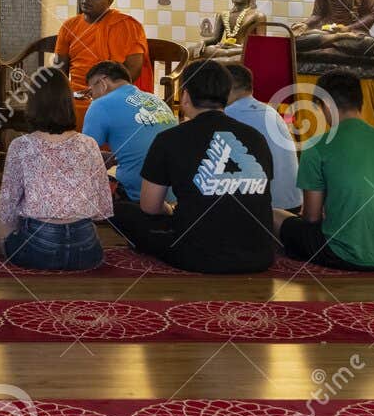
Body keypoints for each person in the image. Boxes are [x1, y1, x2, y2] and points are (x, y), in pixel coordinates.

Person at [110, 59, 276, 274]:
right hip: (259, 254)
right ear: (227, 96)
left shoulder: (168, 139)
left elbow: (149, 207)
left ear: (185, 95)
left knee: (120, 211)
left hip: (196, 255)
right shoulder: (255, 137)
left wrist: (170, 209)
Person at [0, 70, 112, 270]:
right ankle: (2, 245)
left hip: (39, 249)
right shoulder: (88, 144)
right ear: (68, 102)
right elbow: (103, 208)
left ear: (32, 103)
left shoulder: (21, 145)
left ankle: (3, 246)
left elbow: (7, 212)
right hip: (87, 251)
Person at [276, 70, 374, 270]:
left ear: (325, 105)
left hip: (343, 255)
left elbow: (312, 217)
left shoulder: (316, 146)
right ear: (360, 102)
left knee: (275, 216)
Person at [56, 0, 151, 120]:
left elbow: (133, 70)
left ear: (109, 2)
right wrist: (65, 93)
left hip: (111, 93)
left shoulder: (128, 26)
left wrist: (104, 90)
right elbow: (59, 68)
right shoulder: (69, 26)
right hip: (76, 94)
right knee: (55, 106)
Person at [81, 60, 176, 202]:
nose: (92, 97)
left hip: (139, 198)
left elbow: (81, 155)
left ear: (102, 82)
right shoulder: (156, 100)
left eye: (91, 91)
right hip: (176, 194)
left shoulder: (100, 104)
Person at [218, 63, 301, 213]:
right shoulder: (271, 112)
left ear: (226, 88)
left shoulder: (230, 115)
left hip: (268, 210)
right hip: (293, 202)